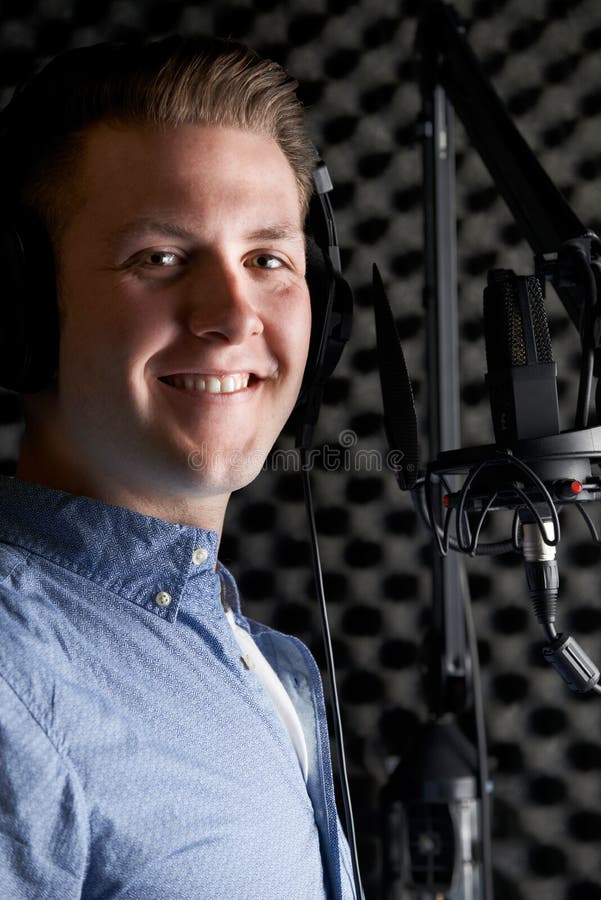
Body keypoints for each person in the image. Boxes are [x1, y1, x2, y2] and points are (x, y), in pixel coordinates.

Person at [0, 36, 356, 899]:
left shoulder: (248, 657)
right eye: (159, 258)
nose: (233, 317)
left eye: (268, 259)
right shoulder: (14, 684)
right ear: (17, 307)